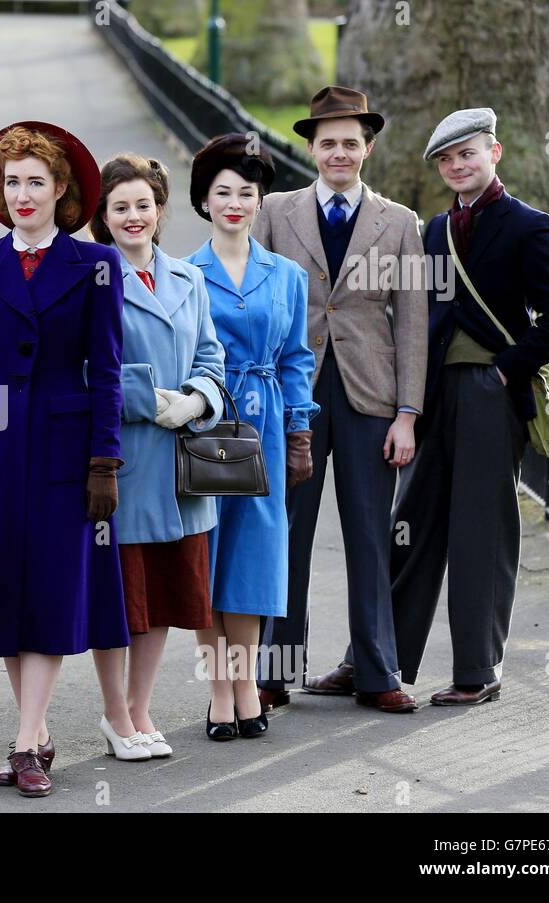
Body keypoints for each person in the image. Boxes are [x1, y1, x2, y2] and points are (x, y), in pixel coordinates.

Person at [0, 121, 128, 797]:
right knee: (5, 597)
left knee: (49, 592)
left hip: (63, 451)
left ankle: (24, 742)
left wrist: (105, 460)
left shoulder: (95, 266)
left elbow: (106, 369)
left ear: (61, 190)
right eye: (11, 181)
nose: (21, 194)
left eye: (34, 182)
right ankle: (35, 733)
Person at [391, 108, 549, 705]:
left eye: (466, 154)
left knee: (480, 531)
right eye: (446, 159)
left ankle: (479, 672)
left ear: (493, 153)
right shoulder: (432, 232)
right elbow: (419, 316)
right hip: (432, 395)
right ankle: (381, 661)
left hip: (489, 393)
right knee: (409, 524)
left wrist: (506, 369)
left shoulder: (530, 225)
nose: (456, 165)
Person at [251, 87, 427, 714]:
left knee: (370, 536)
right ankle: (273, 671)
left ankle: (377, 672)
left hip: (369, 395)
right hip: (290, 391)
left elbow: (411, 322)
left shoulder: (401, 222)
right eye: (328, 143)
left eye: (351, 143)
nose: (340, 152)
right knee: (284, 531)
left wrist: (408, 414)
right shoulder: (275, 211)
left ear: (368, 149)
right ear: (311, 148)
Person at [88, 153, 225, 761]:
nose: (133, 216)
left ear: (160, 209)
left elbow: (213, 357)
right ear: (103, 215)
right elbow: (85, 369)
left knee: (167, 597)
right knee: (124, 600)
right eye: (121, 207)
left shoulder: (189, 278)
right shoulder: (90, 277)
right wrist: (149, 397)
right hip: (126, 464)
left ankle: (140, 709)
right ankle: (116, 714)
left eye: (144, 204)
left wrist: (196, 399)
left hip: (183, 468)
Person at [184, 134, 318, 741]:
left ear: (260, 201)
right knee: (207, 558)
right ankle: (219, 691)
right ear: (204, 202)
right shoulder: (184, 274)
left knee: (254, 563)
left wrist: (298, 429)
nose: (235, 203)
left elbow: (296, 357)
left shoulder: (286, 274)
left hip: (262, 429)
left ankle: (247, 685)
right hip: (207, 428)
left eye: (246, 192)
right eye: (222, 193)